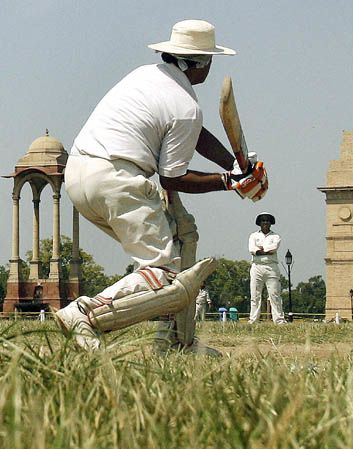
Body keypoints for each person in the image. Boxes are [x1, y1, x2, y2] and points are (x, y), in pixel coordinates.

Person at [54, 20, 268, 352]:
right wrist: (230, 182)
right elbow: (172, 178)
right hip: (118, 180)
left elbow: (194, 135)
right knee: (165, 274)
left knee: (180, 245)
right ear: (201, 63)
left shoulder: (144, 76)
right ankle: (85, 314)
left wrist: (236, 166)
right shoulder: (185, 105)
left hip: (80, 175)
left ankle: (178, 342)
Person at [248, 213, 286, 324]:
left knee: (274, 295)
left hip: (271, 267)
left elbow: (273, 248)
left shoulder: (276, 236)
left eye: (267, 221)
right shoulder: (253, 236)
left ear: (271, 223)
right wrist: (264, 251)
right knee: (255, 295)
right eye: (263, 221)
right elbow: (251, 249)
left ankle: (279, 320)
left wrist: (260, 250)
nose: (265, 223)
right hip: (256, 267)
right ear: (259, 223)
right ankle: (253, 319)